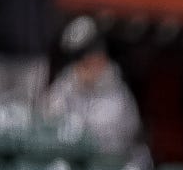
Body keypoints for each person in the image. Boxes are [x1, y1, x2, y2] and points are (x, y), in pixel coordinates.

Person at [39, 18, 139, 159]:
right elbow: (48, 120)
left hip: (109, 162)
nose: (91, 66)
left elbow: (117, 139)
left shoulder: (117, 92)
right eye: (84, 62)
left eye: (96, 59)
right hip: (69, 160)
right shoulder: (65, 86)